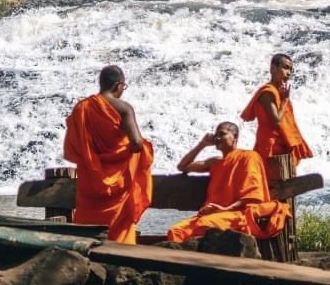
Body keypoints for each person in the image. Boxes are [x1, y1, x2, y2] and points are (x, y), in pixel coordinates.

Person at [63, 65, 154, 244]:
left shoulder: (82, 108)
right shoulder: (124, 108)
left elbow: (74, 148)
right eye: (124, 87)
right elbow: (136, 143)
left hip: (91, 178)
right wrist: (136, 152)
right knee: (119, 228)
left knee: (87, 226)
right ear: (118, 85)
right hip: (119, 180)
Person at [164, 122, 290, 244]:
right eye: (216, 135)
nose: (217, 138)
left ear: (235, 137)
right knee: (175, 231)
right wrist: (202, 144)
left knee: (202, 225)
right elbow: (182, 166)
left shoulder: (249, 156)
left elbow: (252, 196)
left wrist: (226, 208)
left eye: (222, 134)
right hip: (213, 214)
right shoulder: (214, 162)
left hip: (236, 213)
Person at [240, 53, 314, 168]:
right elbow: (276, 121)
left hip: (281, 142)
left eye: (291, 70)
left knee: (283, 177)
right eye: (285, 67)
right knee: (270, 178)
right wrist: (284, 100)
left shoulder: (278, 92)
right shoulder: (268, 92)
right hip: (270, 143)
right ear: (273, 68)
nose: (289, 73)